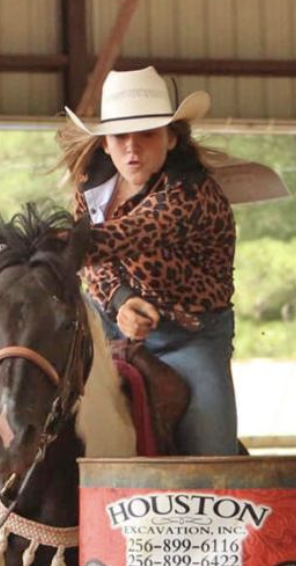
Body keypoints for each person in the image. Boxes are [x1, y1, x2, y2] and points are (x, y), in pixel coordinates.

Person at [57, 66, 238, 456]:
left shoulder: (192, 193)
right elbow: (94, 264)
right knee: (14, 360)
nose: (132, 148)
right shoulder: (92, 186)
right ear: (105, 144)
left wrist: (32, 242)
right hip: (103, 322)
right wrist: (122, 300)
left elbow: (120, 237)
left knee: (212, 457)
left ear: (171, 138)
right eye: (120, 137)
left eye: (147, 135)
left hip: (189, 337)